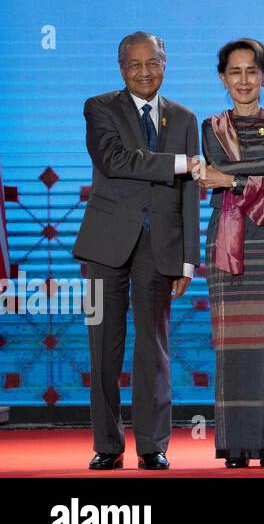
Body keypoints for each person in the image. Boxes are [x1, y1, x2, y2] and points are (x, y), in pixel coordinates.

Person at [74, 31, 200, 471]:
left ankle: (153, 445)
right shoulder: (99, 108)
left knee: (155, 347)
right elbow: (116, 160)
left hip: (160, 247)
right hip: (104, 246)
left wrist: (188, 257)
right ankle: (107, 445)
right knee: (104, 345)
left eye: (153, 62)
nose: (144, 72)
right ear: (120, 66)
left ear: (166, 63)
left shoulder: (185, 118)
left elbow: (189, 195)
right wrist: (180, 163)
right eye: (134, 64)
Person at [192, 38, 264, 468]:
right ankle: (235, 447)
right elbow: (214, 171)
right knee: (233, 343)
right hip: (226, 239)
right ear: (222, 78)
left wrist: (232, 179)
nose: (244, 80)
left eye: (252, 71)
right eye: (234, 72)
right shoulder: (212, 126)